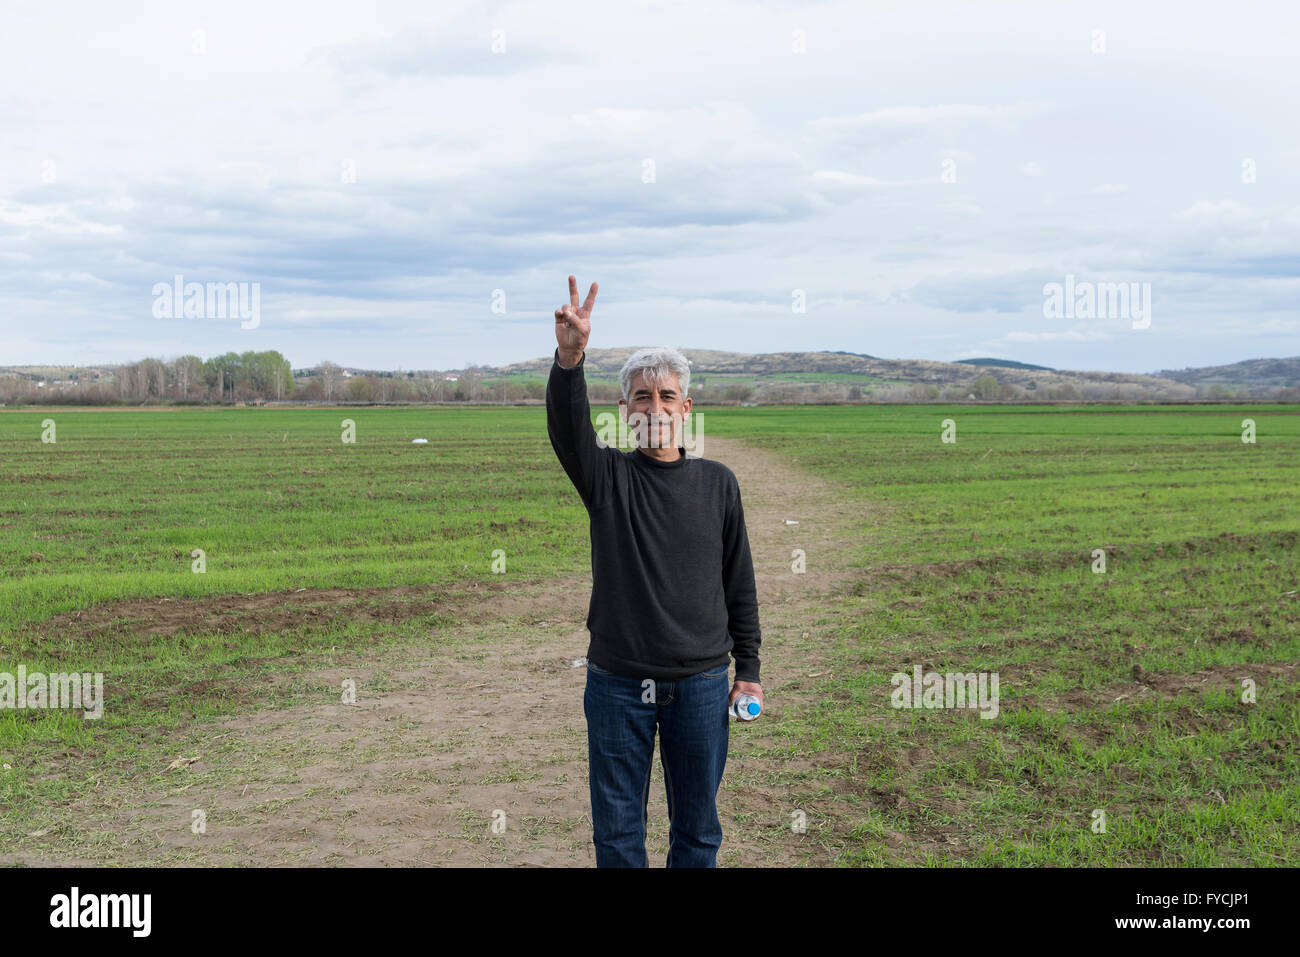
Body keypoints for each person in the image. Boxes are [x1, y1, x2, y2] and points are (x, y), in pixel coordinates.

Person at [546, 274, 763, 867]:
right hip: (617, 685)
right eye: (642, 397)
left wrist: (750, 670)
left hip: (700, 685)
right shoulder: (607, 478)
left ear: (686, 408)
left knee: (697, 832)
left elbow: (738, 583)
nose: (656, 407)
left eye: (667, 396)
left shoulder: (718, 484)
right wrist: (571, 358)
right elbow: (567, 430)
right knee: (617, 835)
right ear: (625, 410)